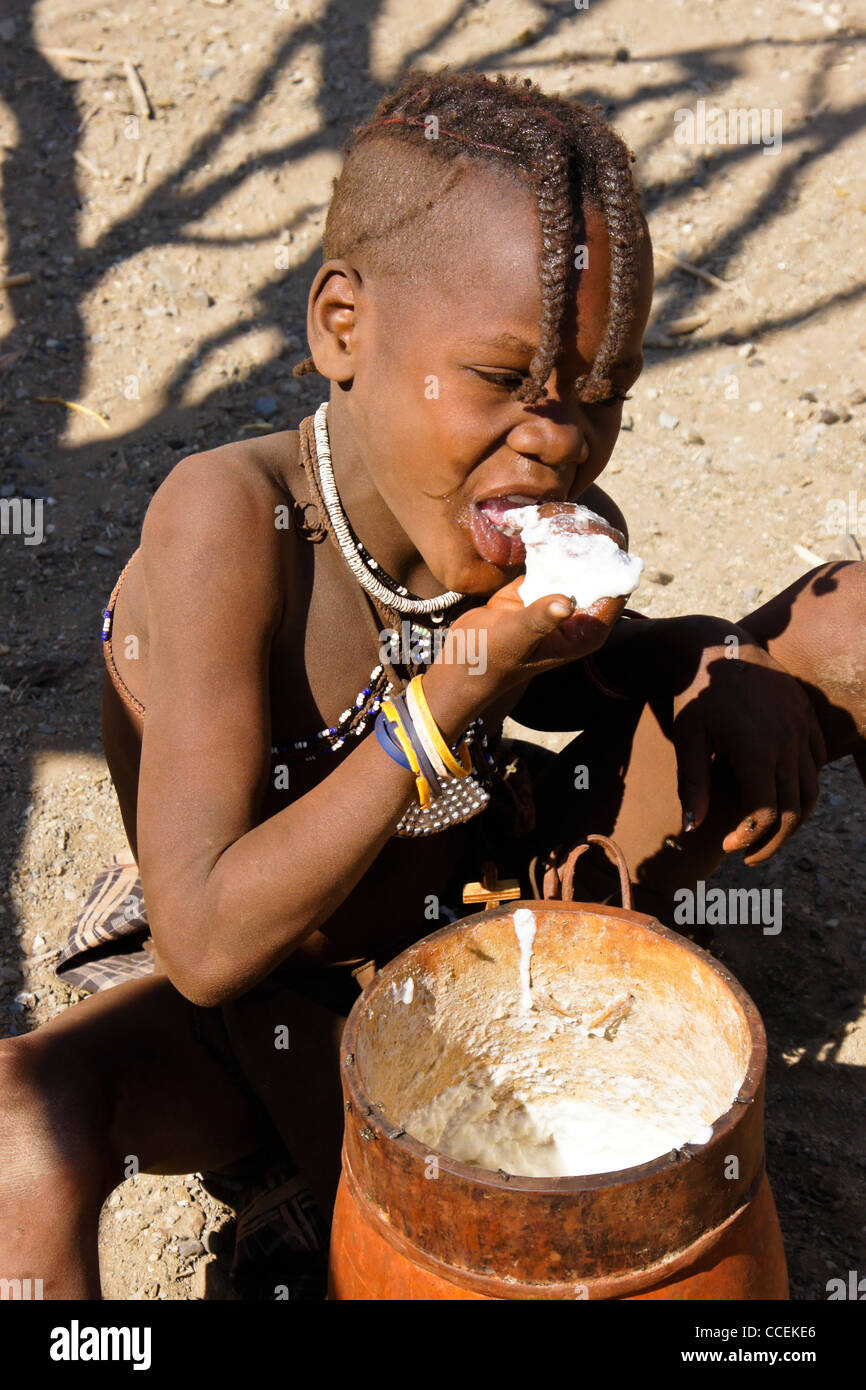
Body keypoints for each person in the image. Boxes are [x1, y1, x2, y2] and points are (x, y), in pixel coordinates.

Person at [1, 68, 863, 1300]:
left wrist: (701, 663)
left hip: (482, 931)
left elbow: (585, 693)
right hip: (267, 995)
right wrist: (460, 683)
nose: (556, 440)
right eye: (501, 382)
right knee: (25, 1125)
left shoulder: (530, 516)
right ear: (341, 328)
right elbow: (203, 943)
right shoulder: (230, 526)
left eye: (594, 396)